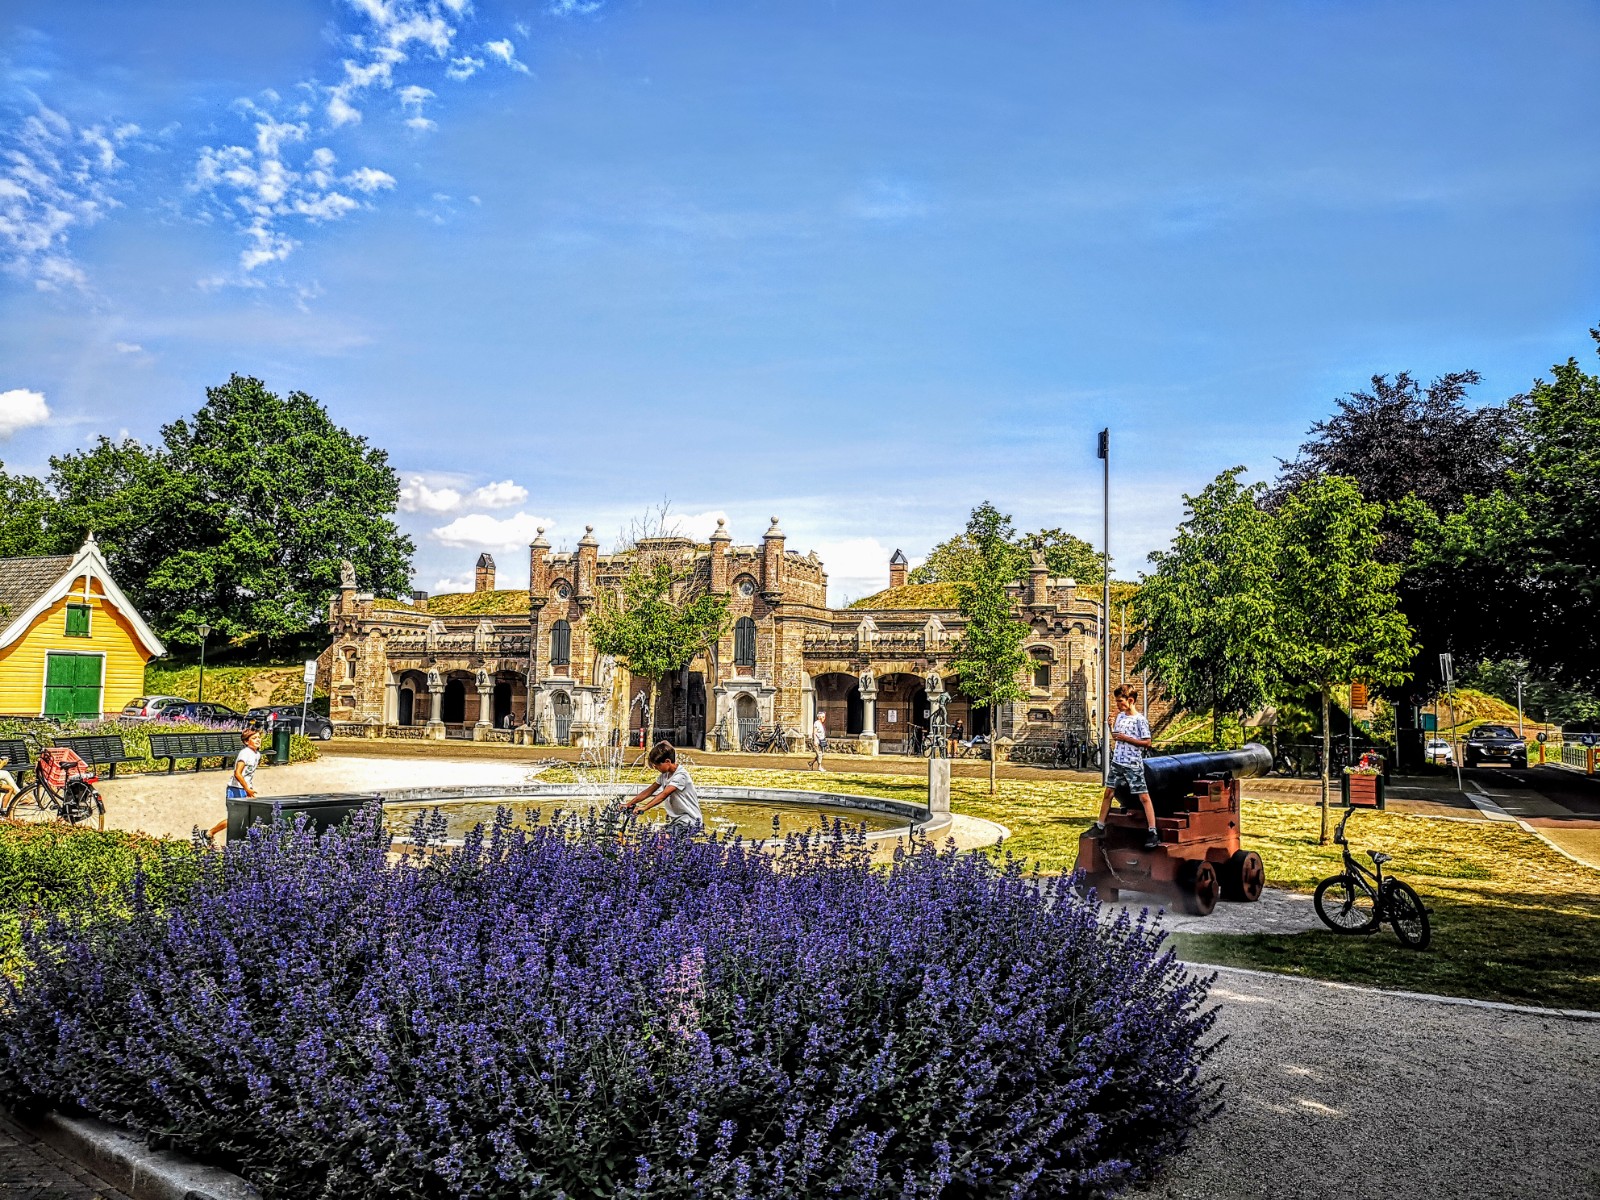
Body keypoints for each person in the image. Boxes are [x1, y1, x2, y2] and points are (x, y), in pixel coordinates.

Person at [1086, 685, 1160, 850]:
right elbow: (1117, 737)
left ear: (1130, 700)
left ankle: (1152, 831)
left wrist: (1127, 739)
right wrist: (1111, 726)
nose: (1118, 704)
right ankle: (1100, 825)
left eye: (1120, 701)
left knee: (1144, 797)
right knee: (1108, 792)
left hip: (1132, 763)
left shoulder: (1140, 720)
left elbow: (1147, 743)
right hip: (1117, 762)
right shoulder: (1120, 716)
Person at [624, 741, 703, 829]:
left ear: (667, 761)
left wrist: (645, 808)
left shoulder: (681, 775)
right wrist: (629, 804)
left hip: (690, 820)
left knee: (664, 838)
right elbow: (648, 791)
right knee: (657, 835)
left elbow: (664, 794)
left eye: (657, 766)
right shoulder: (664, 775)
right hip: (678, 820)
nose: (656, 768)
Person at [207, 728, 262, 840]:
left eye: (258, 737)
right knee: (234, 819)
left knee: (249, 816)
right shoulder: (245, 753)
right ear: (246, 741)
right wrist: (247, 789)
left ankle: (243, 842)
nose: (258, 740)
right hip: (236, 788)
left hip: (246, 789)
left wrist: (249, 788)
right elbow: (237, 773)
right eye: (254, 738)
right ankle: (209, 833)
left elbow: (248, 774)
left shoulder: (257, 754)